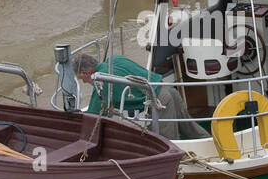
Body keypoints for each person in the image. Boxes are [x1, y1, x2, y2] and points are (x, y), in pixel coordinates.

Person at [75, 54, 209, 140]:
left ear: (87, 73)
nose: (84, 82)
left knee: (167, 142)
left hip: (160, 101)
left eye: (82, 78)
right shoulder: (115, 59)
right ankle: (210, 142)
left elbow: (95, 113)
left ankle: (181, 167)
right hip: (168, 89)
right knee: (190, 128)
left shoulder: (101, 81)